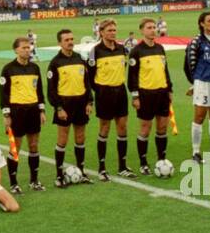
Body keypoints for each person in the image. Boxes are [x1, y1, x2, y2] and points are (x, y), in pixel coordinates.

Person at [0, 36, 46, 193]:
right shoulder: (8, 69)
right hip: (16, 112)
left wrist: (42, 110)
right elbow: (3, 94)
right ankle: (13, 183)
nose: (27, 50)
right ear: (16, 50)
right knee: (15, 148)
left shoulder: (35, 68)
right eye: (24, 48)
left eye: (29, 47)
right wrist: (6, 115)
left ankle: (34, 181)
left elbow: (39, 91)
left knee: (34, 145)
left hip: (33, 111)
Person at [46, 28, 92, 186]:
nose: (70, 42)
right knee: (62, 139)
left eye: (72, 39)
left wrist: (89, 102)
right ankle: (59, 176)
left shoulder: (80, 59)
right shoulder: (55, 63)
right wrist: (58, 108)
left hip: (81, 104)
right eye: (66, 40)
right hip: (64, 105)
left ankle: (82, 171)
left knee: (80, 138)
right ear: (60, 43)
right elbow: (51, 90)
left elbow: (87, 82)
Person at [128, 18, 172, 175]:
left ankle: (162, 159)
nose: (153, 30)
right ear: (142, 30)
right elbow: (132, 77)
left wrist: (170, 89)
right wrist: (135, 97)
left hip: (162, 93)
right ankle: (143, 162)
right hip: (146, 95)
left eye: (154, 27)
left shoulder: (160, 48)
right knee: (145, 129)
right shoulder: (136, 51)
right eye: (149, 27)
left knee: (162, 128)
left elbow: (165, 70)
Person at [87, 19, 131, 179]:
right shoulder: (95, 51)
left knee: (122, 128)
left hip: (120, 91)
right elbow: (90, 76)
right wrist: (98, 92)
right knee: (104, 129)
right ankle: (102, 168)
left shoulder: (122, 49)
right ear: (102, 33)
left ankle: (122, 166)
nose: (113, 32)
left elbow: (124, 68)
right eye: (109, 30)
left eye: (114, 30)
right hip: (104, 93)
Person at [184, 11, 210, 163]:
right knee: (199, 116)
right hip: (203, 83)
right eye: (209, 21)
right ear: (202, 23)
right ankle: (196, 151)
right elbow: (189, 64)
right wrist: (195, 82)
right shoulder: (196, 42)